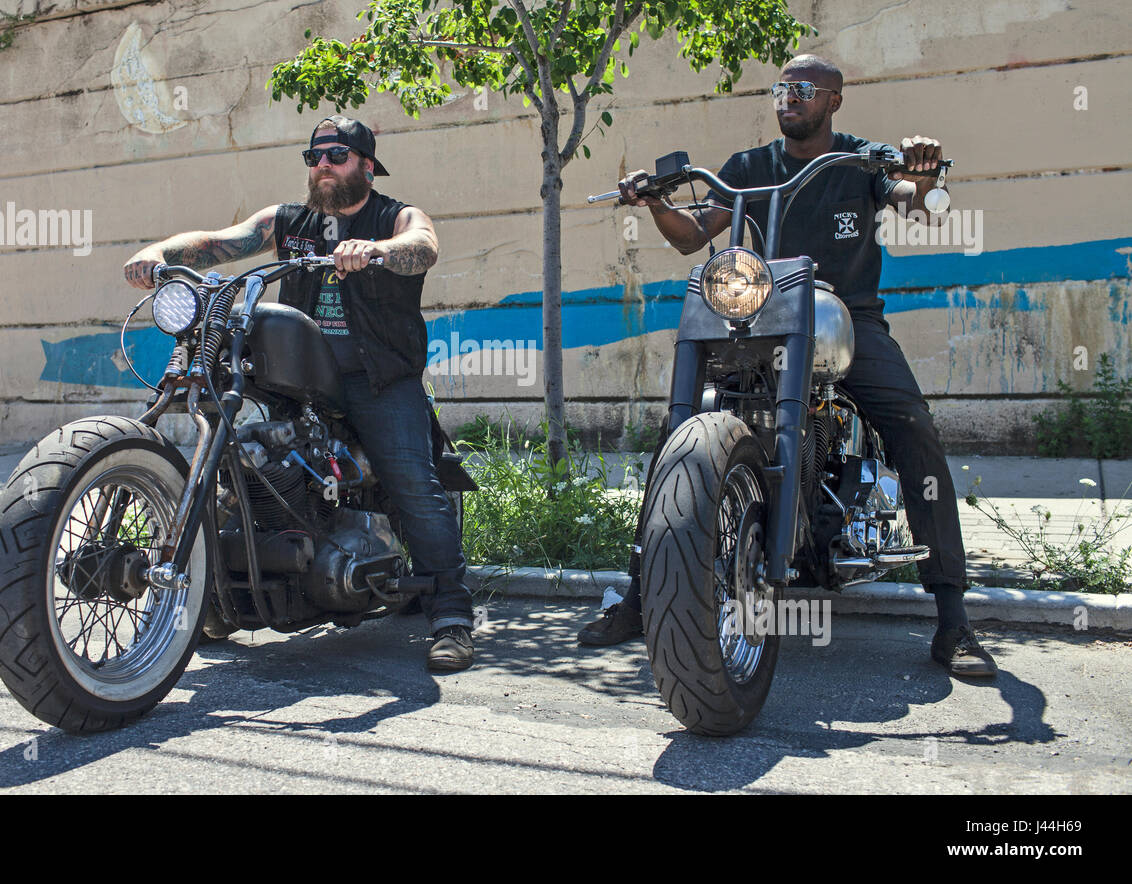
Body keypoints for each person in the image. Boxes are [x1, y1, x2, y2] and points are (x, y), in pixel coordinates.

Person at [578, 54, 997, 678]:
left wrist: (925, 172)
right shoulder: (748, 168)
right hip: (761, 317)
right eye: (781, 89)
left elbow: (920, 203)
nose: (788, 98)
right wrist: (653, 203)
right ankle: (645, 593)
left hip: (845, 319)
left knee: (914, 427)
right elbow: (694, 234)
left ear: (834, 100)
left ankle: (952, 619)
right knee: (679, 438)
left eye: (803, 89)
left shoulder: (862, 160)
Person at [123, 115, 476, 673]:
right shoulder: (289, 221)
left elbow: (423, 245)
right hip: (302, 379)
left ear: (365, 162)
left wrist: (379, 251)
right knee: (242, 465)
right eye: (314, 157)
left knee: (413, 482)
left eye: (336, 156)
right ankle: (215, 594)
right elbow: (221, 242)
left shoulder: (393, 216)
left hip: (379, 377)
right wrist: (161, 252)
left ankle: (452, 615)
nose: (323, 166)